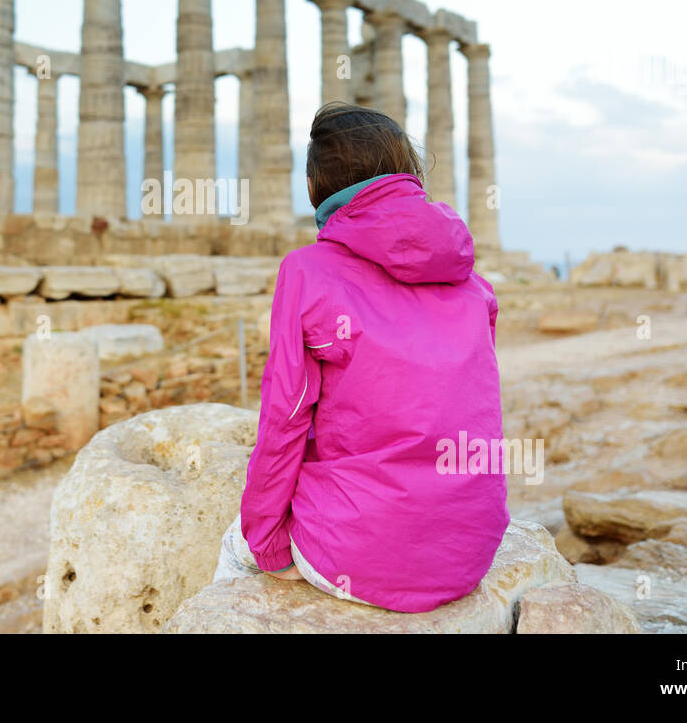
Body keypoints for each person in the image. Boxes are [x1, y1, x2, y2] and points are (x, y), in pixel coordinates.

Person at [217, 102, 509, 613]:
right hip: (469, 554)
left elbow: (284, 418)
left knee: (234, 554)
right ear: (410, 172)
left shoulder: (306, 271)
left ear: (314, 188)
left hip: (357, 556)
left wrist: (267, 545)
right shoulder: (473, 284)